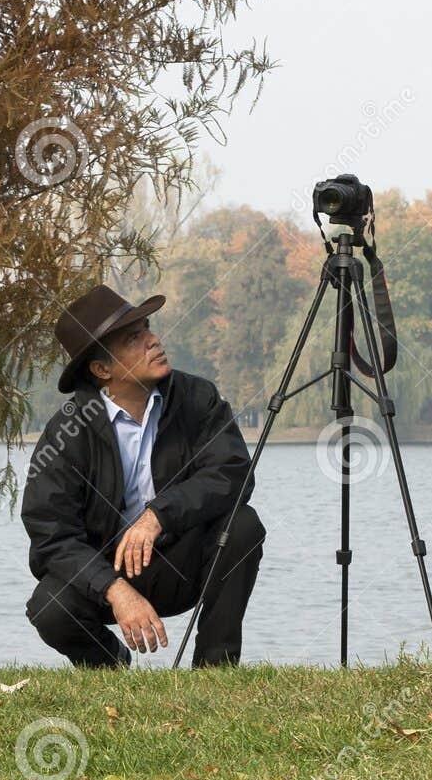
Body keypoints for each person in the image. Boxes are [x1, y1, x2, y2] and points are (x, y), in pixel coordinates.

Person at [20, 284, 265, 667]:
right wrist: (113, 588)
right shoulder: (67, 433)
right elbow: (52, 536)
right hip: (104, 579)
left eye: (148, 329)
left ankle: (215, 668)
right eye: (135, 338)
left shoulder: (196, 397)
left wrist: (158, 516)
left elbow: (233, 473)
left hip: (181, 563)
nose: (154, 340)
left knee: (243, 525)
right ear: (102, 369)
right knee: (48, 607)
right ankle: (110, 662)